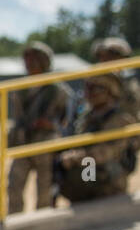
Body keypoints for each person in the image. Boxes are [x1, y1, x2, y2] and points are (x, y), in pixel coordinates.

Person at [7, 41, 70, 212]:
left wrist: (51, 125)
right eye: (27, 59)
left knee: (45, 189)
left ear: (44, 61)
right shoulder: (19, 89)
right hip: (23, 142)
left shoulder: (58, 90)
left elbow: (68, 121)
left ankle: (44, 220)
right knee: (14, 186)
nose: (29, 63)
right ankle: (15, 220)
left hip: (46, 144)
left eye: (34, 59)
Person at [57, 71, 138, 202]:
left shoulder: (120, 119)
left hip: (109, 178)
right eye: (87, 87)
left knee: (84, 167)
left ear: (110, 91)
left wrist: (74, 158)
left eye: (95, 87)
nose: (89, 92)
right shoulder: (87, 116)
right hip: (91, 173)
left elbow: (106, 153)